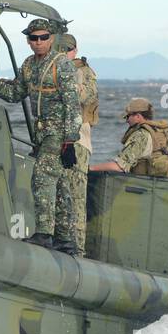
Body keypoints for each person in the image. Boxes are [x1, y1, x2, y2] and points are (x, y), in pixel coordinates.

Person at [0, 18, 82, 255]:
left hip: (58, 132)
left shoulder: (61, 65)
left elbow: (72, 104)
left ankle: (45, 234)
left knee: (42, 177)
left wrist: (70, 140)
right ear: (28, 40)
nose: (38, 42)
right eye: (33, 38)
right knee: (60, 184)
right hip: (42, 133)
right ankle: (66, 238)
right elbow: (16, 92)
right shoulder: (28, 65)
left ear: (51, 38)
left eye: (43, 37)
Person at [90, 97, 168, 191]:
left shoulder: (141, 135)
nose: (127, 120)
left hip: (143, 194)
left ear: (138, 116)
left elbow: (119, 166)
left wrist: (90, 168)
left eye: (128, 116)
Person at [61, 34, 98, 254]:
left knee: (75, 197)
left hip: (77, 140)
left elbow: (86, 96)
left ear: (75, 50)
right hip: (54, 139)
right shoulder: (48, 68)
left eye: (67, 50)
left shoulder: (83, 71)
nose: (64, 54)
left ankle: (78, 249)